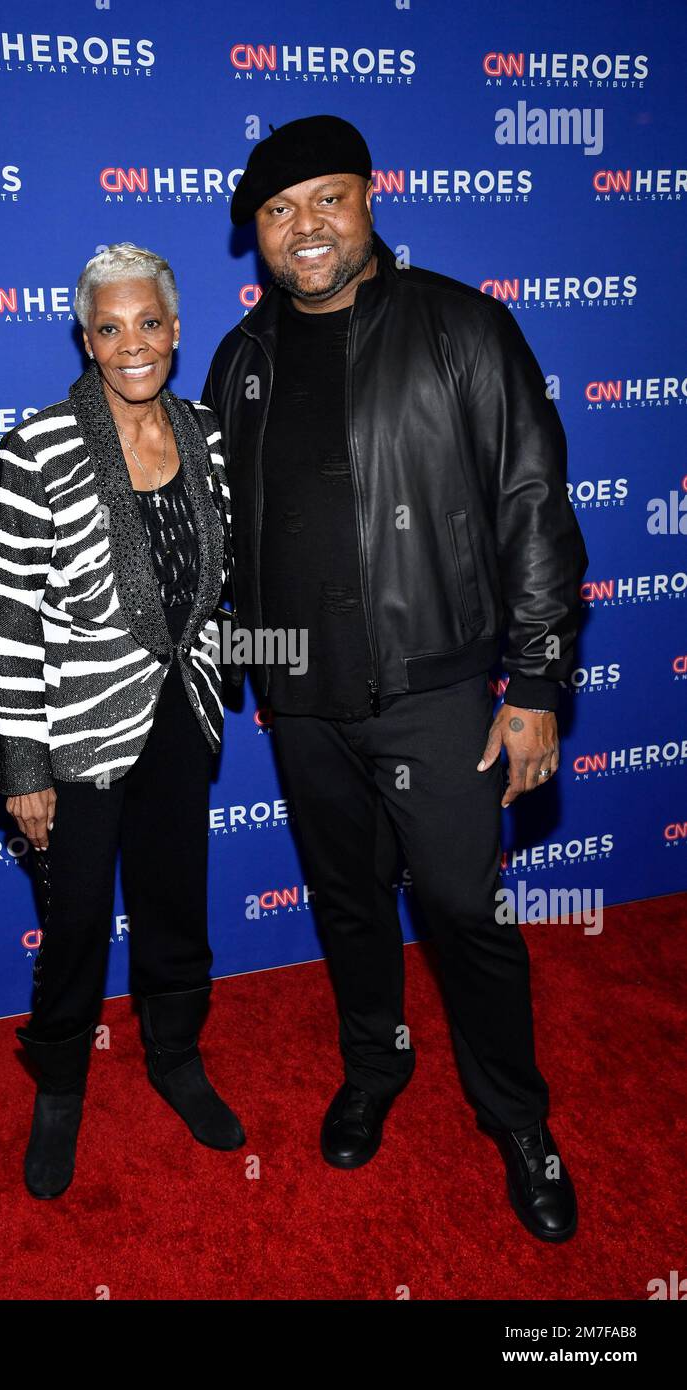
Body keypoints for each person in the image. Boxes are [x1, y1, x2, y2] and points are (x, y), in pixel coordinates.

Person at [201, 115, 589, 1242]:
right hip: (301, 701)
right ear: (258, 238)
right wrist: (235, 662)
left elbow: (530, 508)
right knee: (348, 906)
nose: (303, 227)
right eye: (277, 212)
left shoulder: (460, 326)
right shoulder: (243, 358)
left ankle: (517, 1119)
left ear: (369, 198)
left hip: (434, 689)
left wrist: (537, 685)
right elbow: (231, 546)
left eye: (323, 198)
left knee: (466, 914)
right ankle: (373, 1066)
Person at [0, 241, 243, 1200]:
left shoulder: (209, 433)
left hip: (184, 711)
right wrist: (23, 767)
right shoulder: (38, 446)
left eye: (150, 324)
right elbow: (13, 617)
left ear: (176, 331)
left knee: (178, 903)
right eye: (110, 327)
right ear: (86, 339)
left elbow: (222, 592)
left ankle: (176, 1056)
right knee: (77, 923)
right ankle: (59, 1086)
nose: (132, 344)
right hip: (80, 727)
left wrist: (283, 663)